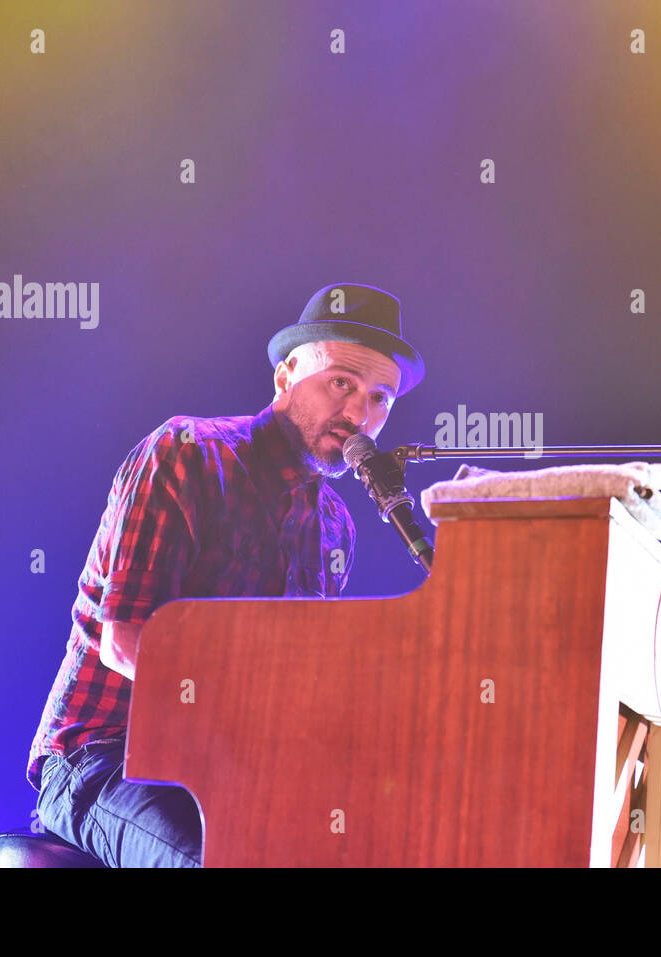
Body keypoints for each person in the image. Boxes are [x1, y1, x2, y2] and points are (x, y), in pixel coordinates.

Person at [26, 283, 425, 867]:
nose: (359, 414)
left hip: (232, 769)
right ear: (286, 375)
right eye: (342, 381)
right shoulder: (188, 451)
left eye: (380, 398)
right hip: (102, 756)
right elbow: (126, 640)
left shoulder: (337, 525)